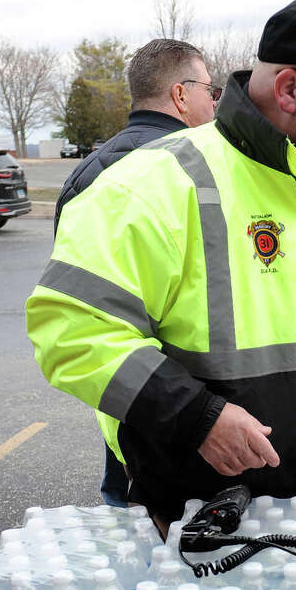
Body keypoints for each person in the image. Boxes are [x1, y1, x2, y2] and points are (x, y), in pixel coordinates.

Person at [27, 0, 296, 528]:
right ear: (289, 89)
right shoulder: (155, 182)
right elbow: (73, 326)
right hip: (187, 514)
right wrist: (197, 418)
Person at [53, 38, 219, 508]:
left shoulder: (87, 173)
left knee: (126, 518)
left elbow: (77, 299)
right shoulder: (200, 169)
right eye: (210, 89)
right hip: (198, 399)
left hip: (123, 393)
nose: (214, 101)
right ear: (182, 95)